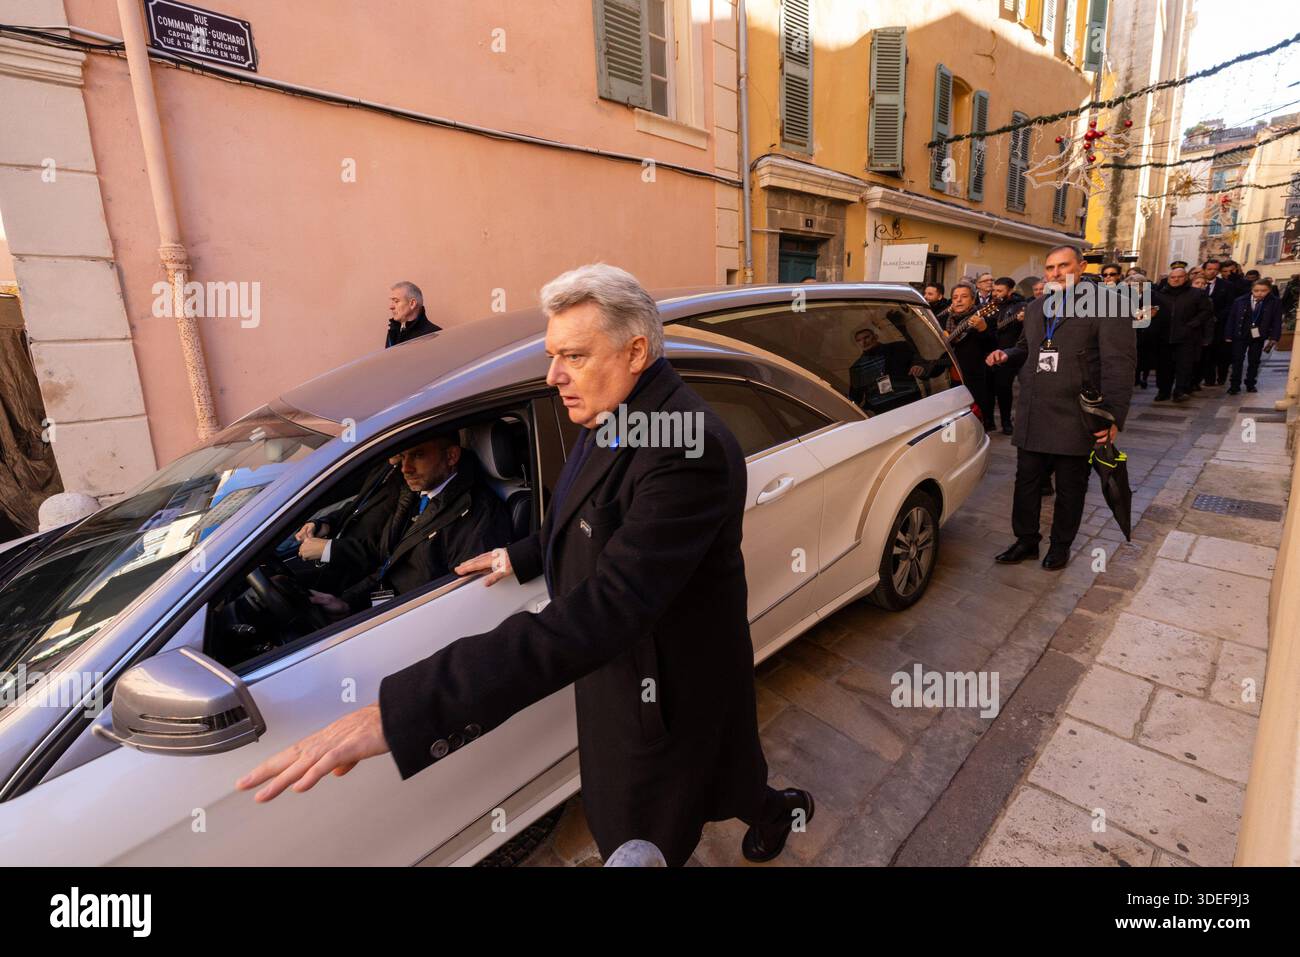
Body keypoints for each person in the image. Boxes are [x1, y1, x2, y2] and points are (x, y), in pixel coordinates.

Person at [237, 264, 814, 867]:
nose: (552, 375)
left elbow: (607, 606)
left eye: (573, 356)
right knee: (722, 772)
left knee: (643, 828)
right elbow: (592, 512)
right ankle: (776, 812)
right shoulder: (612, 407)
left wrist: (405, 711)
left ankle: (767, 813)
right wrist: (521, 553)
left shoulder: (685, 450)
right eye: (551, 354)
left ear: (636, 350)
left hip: (662, 690)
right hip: (634, 677)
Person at [985, 244, 1135, 570]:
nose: (1056, 274)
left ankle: (1060, 546)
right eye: (1050, 268)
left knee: (1070, 489)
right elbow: (1027, 347)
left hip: (1076, 416)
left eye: (1063, 266)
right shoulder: (1037, 308)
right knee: (1026, 483)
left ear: (1080, 267)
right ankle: (1025, 540)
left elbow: (1119, 367)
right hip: (1034, 411)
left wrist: (1114, 418)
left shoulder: (1109, 306)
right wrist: (1007, 355)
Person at [309, 433, 512, 615]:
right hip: (390, 610)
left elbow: (467, 600)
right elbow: (388, 563)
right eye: (404, 457)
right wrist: (347, 603)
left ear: (451, 457)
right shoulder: (416, 496)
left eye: (418, 455)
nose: (405, 468)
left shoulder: (477, 514)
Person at [293, 455, 405, 591]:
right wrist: (322, 524)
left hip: (354, 578)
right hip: (332, 558)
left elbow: (387, 550)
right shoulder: (386, 465)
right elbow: (356, 506)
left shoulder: (410, 482)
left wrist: (329, 549)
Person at [1152, 266, 1214, 403]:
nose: (1175, 280)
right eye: (1172, 277)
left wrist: (1193, 324)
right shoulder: (1159, 294)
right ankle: (1163, 391)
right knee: (1163, 366)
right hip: (1164, 336)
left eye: (1179, 277)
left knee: (1184, 366)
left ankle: (1180, 391)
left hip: (1187, 336)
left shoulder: (1196, 294)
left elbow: (1206, 311)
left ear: (1186, 278)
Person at [943, 282, 996, 430]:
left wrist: (983, 329)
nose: (958, 300)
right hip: (951, 377)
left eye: (964, 296)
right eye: (955, 297)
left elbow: (993, 347)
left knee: (974, 421)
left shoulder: (985, 317)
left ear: (973, 300)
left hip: (974, 378)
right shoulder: (945, 320)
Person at [1226, 280, 1283, 394]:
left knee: (1254, 360)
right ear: (1252, 290)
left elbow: (1277, 320)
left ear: (1269, 290)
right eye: (1256, 290)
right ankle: (1234, 385)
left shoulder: (1274, 302)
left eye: (1264, 291)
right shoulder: (1240, 300)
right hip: (1240, 333)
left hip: (1259, 335)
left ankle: (1250, 383)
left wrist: (1274, 337)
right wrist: (1228, 334)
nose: (1260, 293)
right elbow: (1232, 318)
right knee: (1237, 360)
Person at [989, 277, 1026, 435]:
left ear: (1010, 291)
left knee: (1004, 389)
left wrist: (1022, 321)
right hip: (990, 351)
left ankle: (1006, 421)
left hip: (1009, 353)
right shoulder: (991, 306)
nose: (996, 294)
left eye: (1000, 291)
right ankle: (989, 421)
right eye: (994, 290)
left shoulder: (1021, 306)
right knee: (991, 389)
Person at [385, 281, 442, 348]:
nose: (391, 307)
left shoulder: (434, 335)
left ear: (412, 304)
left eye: (396, 301)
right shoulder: (393, 332)